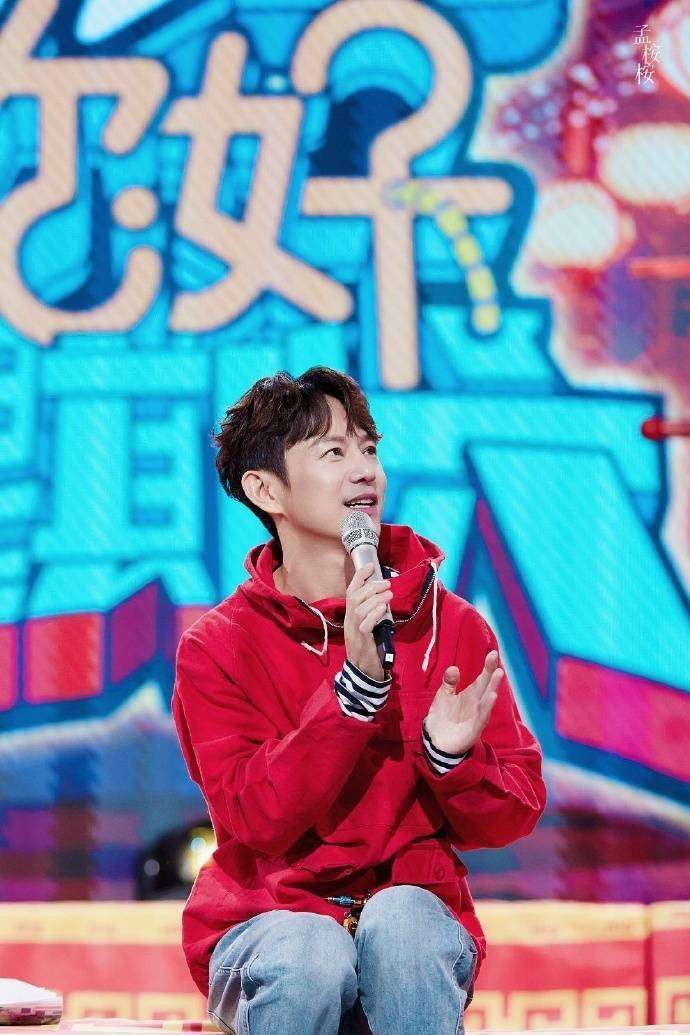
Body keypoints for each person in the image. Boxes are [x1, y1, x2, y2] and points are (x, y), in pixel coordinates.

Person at [171, 366, 546, 1035]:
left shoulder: (450, 625)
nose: (364, 470)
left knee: (402, 925)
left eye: (369, 448)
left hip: (412, 919)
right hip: (269, 921)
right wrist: (354, 696)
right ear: (265, 489)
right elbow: (255, 818)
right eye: (334, 452)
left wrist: (453, 762)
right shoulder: (218, 646)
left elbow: (514, 812)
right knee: (309, 952)